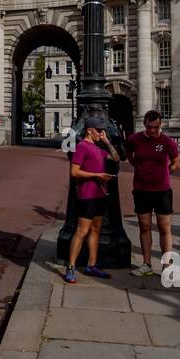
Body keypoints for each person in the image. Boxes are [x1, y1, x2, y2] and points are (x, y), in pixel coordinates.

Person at [64, 117, 119, 284]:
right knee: (82, 231)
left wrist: (107, 141)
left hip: (99, 194)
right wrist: (97, 176)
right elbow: (74, 172)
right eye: (98, 130)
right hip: (87, 194)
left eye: (102, 130)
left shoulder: (97, 147)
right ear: (89, 130)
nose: (101, 133)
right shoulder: (82, 147)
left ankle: (92, 265)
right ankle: (71, 267)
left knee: (96, 229)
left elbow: (116, 158)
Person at [127, 109, 180, 276]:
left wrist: (164, 174)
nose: (152, 131)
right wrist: (140, 168)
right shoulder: (135, 139)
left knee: (164, 227)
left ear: (160, 125)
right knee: (145, 226)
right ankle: (147, 263)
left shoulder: (167, 142)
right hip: (141, 189)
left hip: (162, 190)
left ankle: (166, 265)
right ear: (144, 125)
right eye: (150, 127)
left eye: (156, 127)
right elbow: (129, 156)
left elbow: (175, 162)